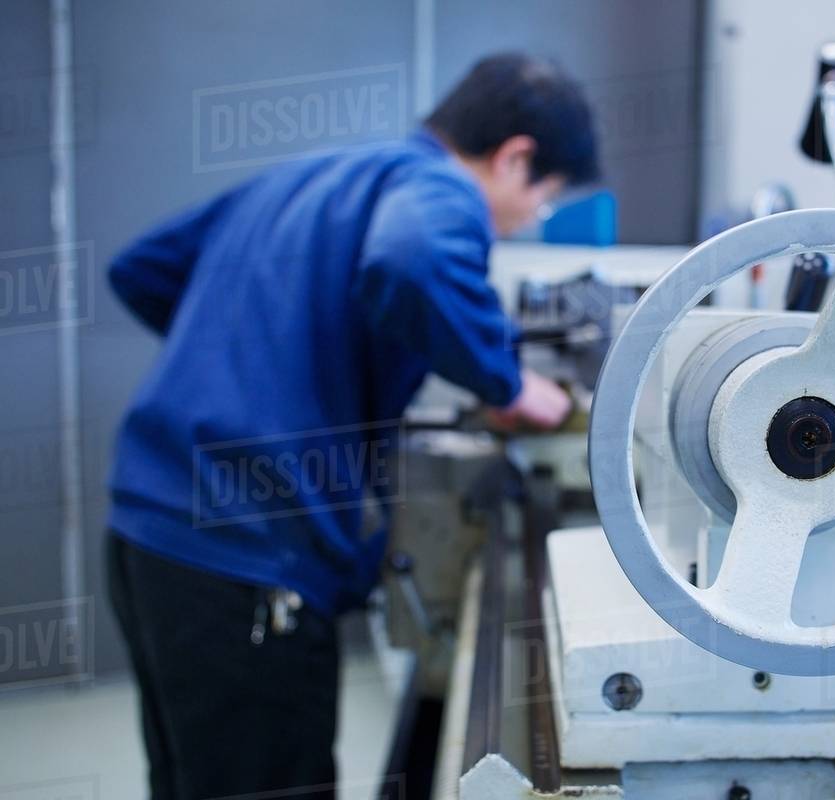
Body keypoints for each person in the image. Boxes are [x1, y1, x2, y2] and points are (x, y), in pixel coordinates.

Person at [105, 53, 598, 799]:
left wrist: (261, 355)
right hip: (247, 555)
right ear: (515, 158)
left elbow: (141, 270)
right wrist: (506, 384)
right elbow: (411, 261)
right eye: (546, 201)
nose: (533, 219)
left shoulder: (315, 175)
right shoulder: (439, 188)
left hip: (148, 531)